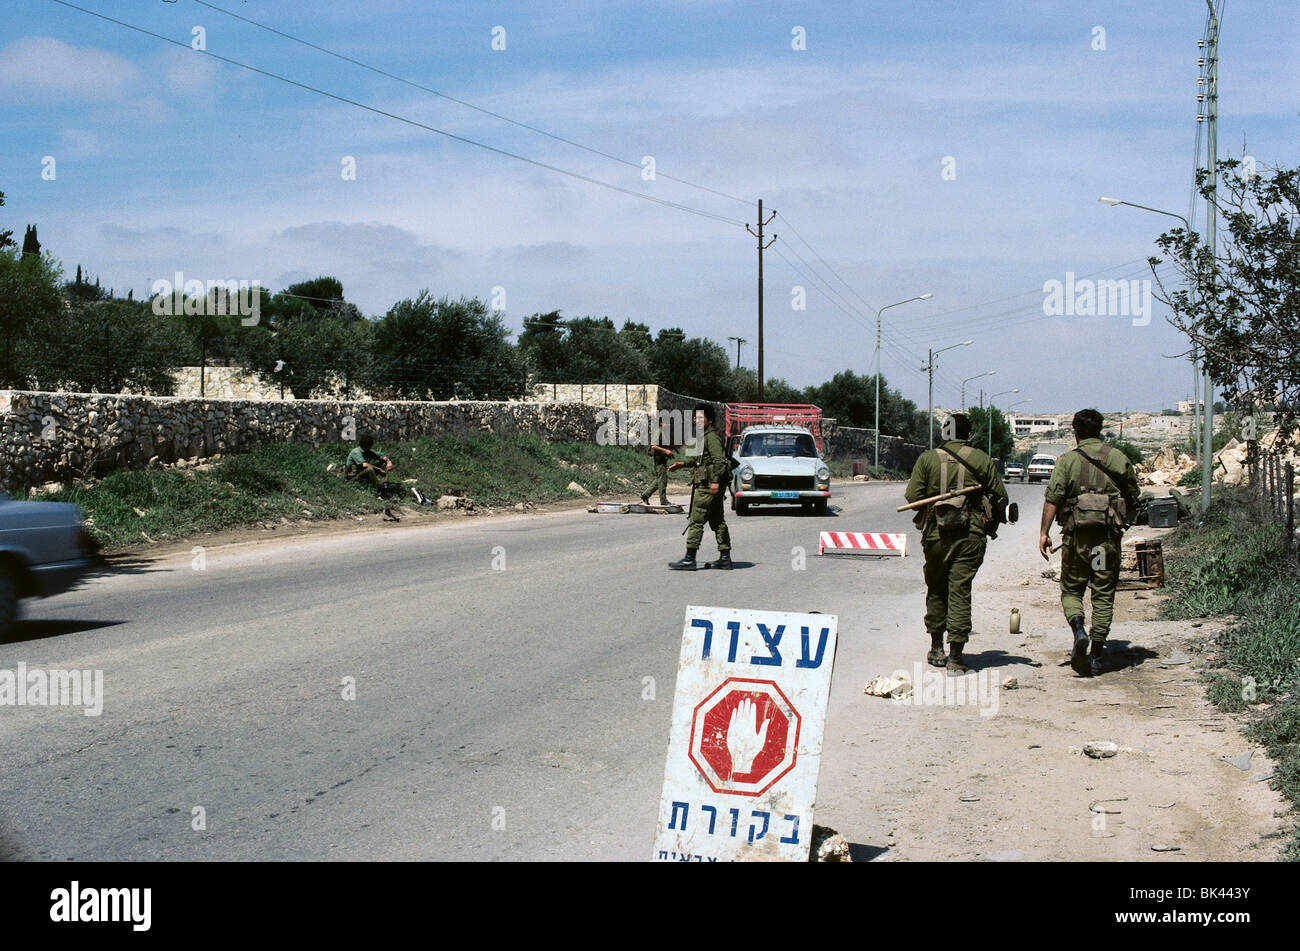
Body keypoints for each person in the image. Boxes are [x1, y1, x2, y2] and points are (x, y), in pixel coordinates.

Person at [904, 412, 1008, 673]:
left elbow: (913, 495)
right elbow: (1001, 498)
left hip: (935, 536)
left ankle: (936, 647)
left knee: (937, 587)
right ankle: (956, 657)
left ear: (944, 433)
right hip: (970, 535)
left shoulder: (928, 458)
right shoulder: (981, 459)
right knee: (959, 588)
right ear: (968, 434)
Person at [1039, 409, 1140, 677]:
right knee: (1103, 594)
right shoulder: (1117, 457)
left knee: (1072, 590)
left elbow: (1053, 499)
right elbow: (1134, 493)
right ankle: (1096, 654)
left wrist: (1044, 533)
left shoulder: (1067, 461)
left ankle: (1078, 627)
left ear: (1075, 431)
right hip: (1105, 542)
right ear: (1100, 430)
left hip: (1076, 541)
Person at [666, 404, 732, 570]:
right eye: (696, 418)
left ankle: (690, 558)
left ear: (710, 420)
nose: (697, 421)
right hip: (709, 486)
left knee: (696, 521)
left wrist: (715, 481)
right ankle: (725, 557)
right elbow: (697, 459)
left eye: (701, 418)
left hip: (707, 486)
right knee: (717, 521)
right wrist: (682, 464)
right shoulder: (702, 437)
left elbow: (719, 461)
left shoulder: (711, 438)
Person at [640, 419, 673, 505]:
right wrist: (666, 451)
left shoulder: (664, 432)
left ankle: (646, 495)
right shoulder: (659, 432)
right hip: (659, 459)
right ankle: (663, 501)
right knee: (662, 480)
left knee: (660, 479)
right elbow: (654, 446)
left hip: (662, 459)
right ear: (661, 423)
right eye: (666, 422)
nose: (668, 424)